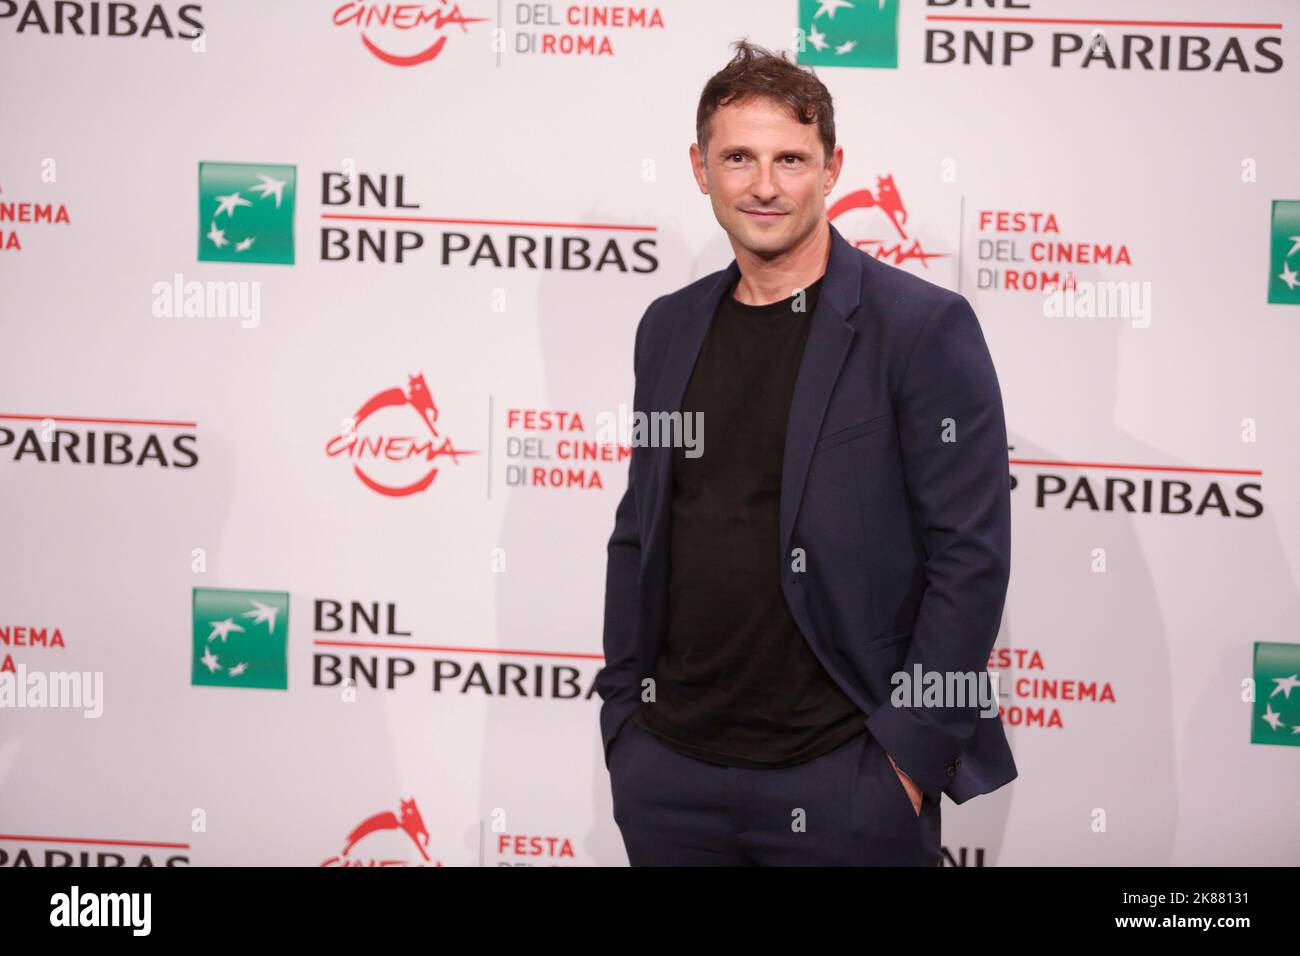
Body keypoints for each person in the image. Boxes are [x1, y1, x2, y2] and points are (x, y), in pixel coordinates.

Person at [595, 39, 1015, 866]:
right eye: (738, 157)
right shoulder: (668, 326)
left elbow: (970, 557)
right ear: (698, 167)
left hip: (843, 778)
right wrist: (623, 720)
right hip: (669, 773)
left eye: (791, 158)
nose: (763, 185)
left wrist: (906, 756)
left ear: (832, 168)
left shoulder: (919, 328)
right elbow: (641, 530)